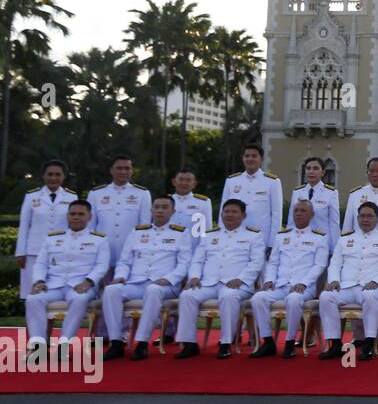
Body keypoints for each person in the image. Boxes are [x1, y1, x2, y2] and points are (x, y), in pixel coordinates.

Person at [100, 195, 193, 361]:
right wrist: (121, 276)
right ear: (151, 210)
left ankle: (142, 343)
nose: (160, 211)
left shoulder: (181, 233)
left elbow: (184, 264)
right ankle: (116, 341)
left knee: (153, 290)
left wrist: (170, 278)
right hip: (136, 282)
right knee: (111, 290)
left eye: (165, 207)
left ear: (173, 211)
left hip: (164, 285)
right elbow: (125, 260)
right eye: (157, 207)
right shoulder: (138, 231)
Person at [174, 200, 265, 360]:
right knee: (187, 295)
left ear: (243, 215)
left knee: (228, 296)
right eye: (226, 211)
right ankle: (189, 343)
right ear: (221, 214)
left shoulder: (254, 235)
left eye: (234, 212)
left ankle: (226, 343)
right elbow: (198, 260)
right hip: (208, 282)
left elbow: (256, 262)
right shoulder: (209, 235)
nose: (229, 214)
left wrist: (241, 279)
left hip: (237, 284)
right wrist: (194, 276)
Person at [249, 199, 330, 359]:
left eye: (303, 211)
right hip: (280, 285)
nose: (299, 213)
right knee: (258, 298)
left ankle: (289, 342)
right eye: (296, 210)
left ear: (312, 214)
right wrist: (269, 280)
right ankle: (268, 342)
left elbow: (319, 266)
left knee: (293, 300)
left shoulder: (320, 238)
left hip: (303, 287)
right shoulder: (281, 236)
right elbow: (273, 262)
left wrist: (303, 283)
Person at [24, 200, 109, 352]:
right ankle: (38, 347)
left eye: (81, 214)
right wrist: (39, 281)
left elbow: (102, 265)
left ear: (89, 216)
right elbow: (40, 264)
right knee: (33, 299)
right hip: (53, 285)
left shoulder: (99, 239)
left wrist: (89, 282)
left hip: (80, 286)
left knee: (79, 299)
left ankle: (64, 345)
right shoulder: (52, 238)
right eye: (72, 214)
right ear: (68, 216)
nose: (76, 217)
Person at [318, 203, 378, 362]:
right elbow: (335, 264)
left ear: (377, 219)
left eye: (370, 216)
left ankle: (369, 344)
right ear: (357, 218)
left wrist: (376, 281)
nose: (365, 219)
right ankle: (334, 343)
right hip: (346, 286)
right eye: (362, 216)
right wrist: (334, 280)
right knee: (326, 296)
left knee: (370, 297)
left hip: (374, 287)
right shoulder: (346, 238)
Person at [15, 159, 80, 298]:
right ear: (43, 176)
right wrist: (20, 252)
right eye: (50, 174)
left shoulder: (71, 196)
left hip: (60, 251)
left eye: (58, 175)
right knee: (31, 291)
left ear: (64, 177)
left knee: (55, 290)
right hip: (34, 251)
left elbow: (74, 226)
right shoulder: (31, 196)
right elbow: (24, 225)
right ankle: (31, 320)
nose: (53, 178)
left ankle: (52, 320)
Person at [89, 154, 152, 273]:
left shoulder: (142, 193)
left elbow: (145, 225)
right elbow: (90, 225)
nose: (123, 171)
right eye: (119, 168)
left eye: (127, 168)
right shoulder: (96, 193)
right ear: (111, 171)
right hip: (103, 249)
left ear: (132, 171)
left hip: (129, 249)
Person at [222, 144, 283, 254]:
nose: (250, 159)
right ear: (243, 158)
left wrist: (272, 243)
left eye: (254, 156)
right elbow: (223, 212)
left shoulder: (272, 182)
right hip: (235, 237)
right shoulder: (232, 181)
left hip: (261, 239)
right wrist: (223, 237)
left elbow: (276, 215)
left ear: (261, 160)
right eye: (247, 156)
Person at [290, 156, 340, 250]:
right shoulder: (297, 192)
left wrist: (334, 250)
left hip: (321, 244)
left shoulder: (331, 193)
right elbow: (291, 221)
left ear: (323, 172)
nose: (311, 171)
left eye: (315, 168)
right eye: (308, 168)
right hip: (300, 244)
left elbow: (334, 224)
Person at [170, 167, 213, 249]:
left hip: (192, 250)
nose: (184, 183)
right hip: (169, 250)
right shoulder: (165, 201)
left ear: (194, 184)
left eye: (188, 180)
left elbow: (206, 231)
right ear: (174, 182)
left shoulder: (203, 202)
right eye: (181, 179)